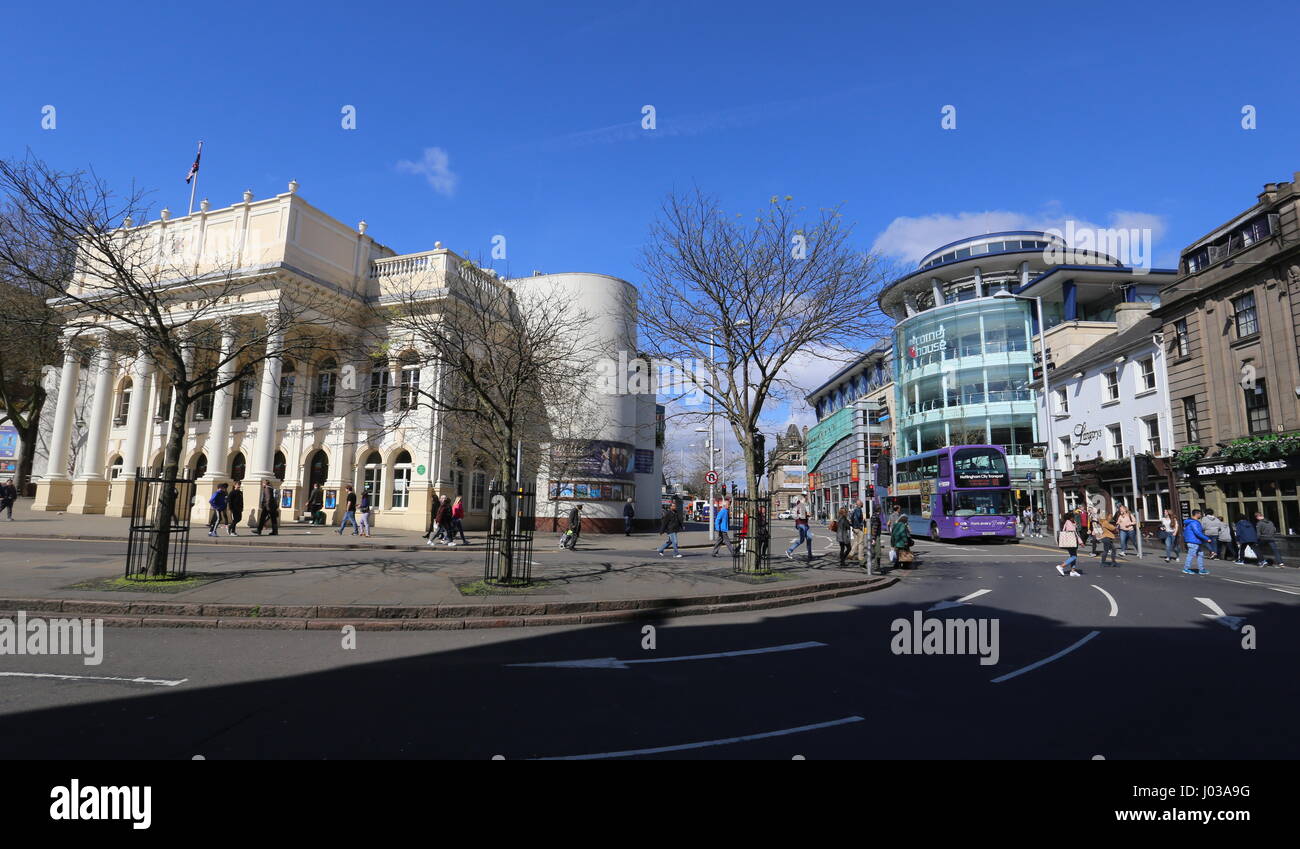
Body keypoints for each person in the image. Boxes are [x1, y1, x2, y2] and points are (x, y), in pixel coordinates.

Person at [1182, 509, 1212, 575]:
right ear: (1197, 514)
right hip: (1193, 541)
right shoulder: (1194, 522)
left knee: (1200, 554)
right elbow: (1197, 532)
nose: (1201, 515)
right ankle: (1186, 568)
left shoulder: (1190, 522)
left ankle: (1201, 569)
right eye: (1200, 514)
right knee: (1191, 555)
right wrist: (1207, 538)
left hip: (1195, 541)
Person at [1056, 511, 1082, 576]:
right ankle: (1061, 566)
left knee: (1073, 555)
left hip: (1071, 542)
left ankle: (1073, 571)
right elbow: (1074, 533)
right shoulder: (1068, 523)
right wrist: (1080, 542)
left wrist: (1075, 524)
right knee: (1074, 556)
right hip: (1071, 542)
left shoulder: (1069, 522)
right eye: (1073, 517)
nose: (1074, 518)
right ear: (1070, 518)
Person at [849, 499, 865, 563]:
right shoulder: (858, 510)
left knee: (856, 541)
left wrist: (853, 526)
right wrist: (860, 526)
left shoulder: (855, 510)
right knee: (861, 543)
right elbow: (856, 518)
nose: (863, 504)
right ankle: (861, 557)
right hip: (857, 528)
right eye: (862, 503)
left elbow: (852, 518)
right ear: (860, 504)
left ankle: (851, 554)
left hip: (854, 528)